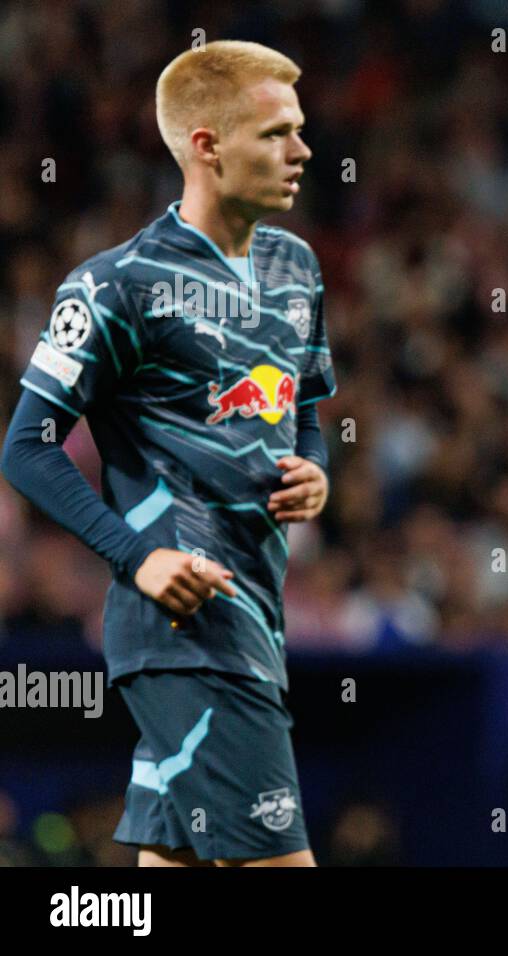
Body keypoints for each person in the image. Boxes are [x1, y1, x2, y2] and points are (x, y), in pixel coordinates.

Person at [0, 40, 335, 867]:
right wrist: (137, 556)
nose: (303, 151)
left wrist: (315, 471)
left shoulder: (296, 270)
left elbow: (307, 412)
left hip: (255, 616)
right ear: (206, 146)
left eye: (299, 131)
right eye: (276, 134)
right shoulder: (118, 283)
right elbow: (26, 448)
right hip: (186, 630)